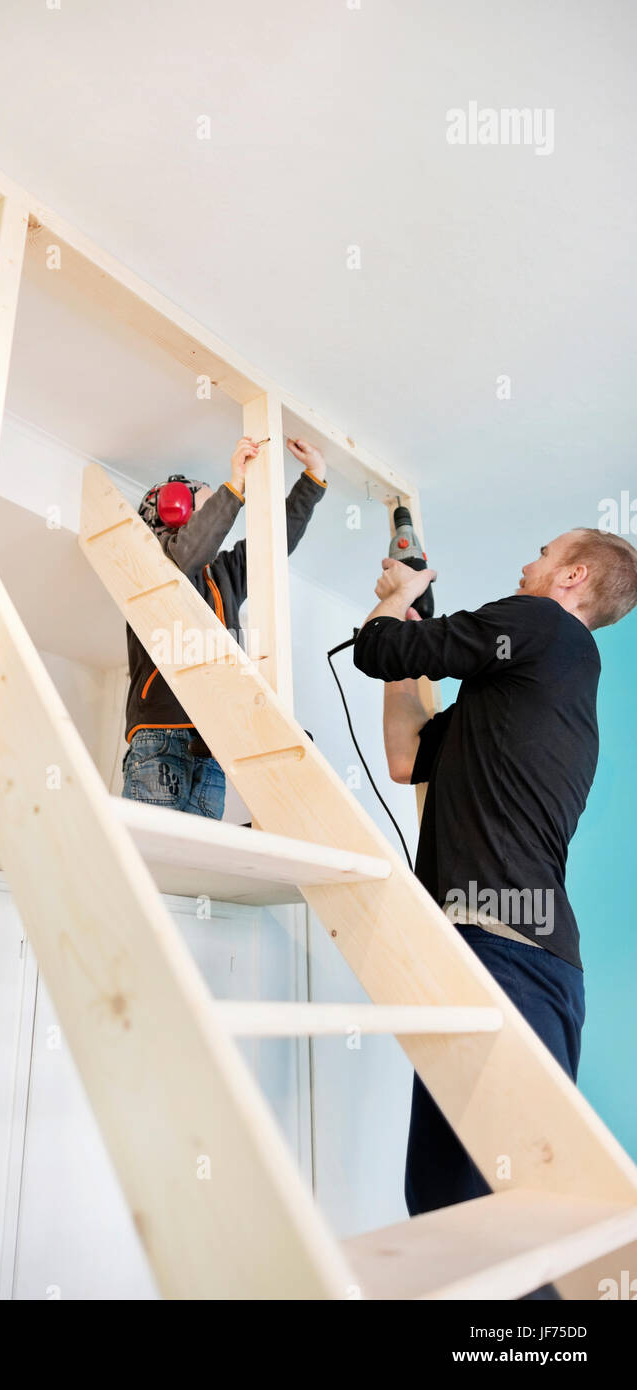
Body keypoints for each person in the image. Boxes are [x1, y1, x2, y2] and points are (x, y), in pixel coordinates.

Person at [352, 527, 637, 1299]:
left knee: (496, 1226)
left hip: (506, 953)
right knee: (449, 1209)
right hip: (512, 955)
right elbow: (408, 753)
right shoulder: (526, 691)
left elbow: (379, 649)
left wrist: (396, 604)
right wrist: (408, 627)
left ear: (571, 576)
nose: (524, 565)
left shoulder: (545, 625)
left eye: (542, 556)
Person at [122, 435, 328, 817]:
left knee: (194, 868)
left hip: (215, 741)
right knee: (150, 852)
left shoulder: (224, 574)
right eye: (209, 499)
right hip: (162, 733)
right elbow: (187, 554)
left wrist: (313, 480)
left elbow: (273, 544)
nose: (220, 502)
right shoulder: (154, 567)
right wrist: (235, 485)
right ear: (175, 511)